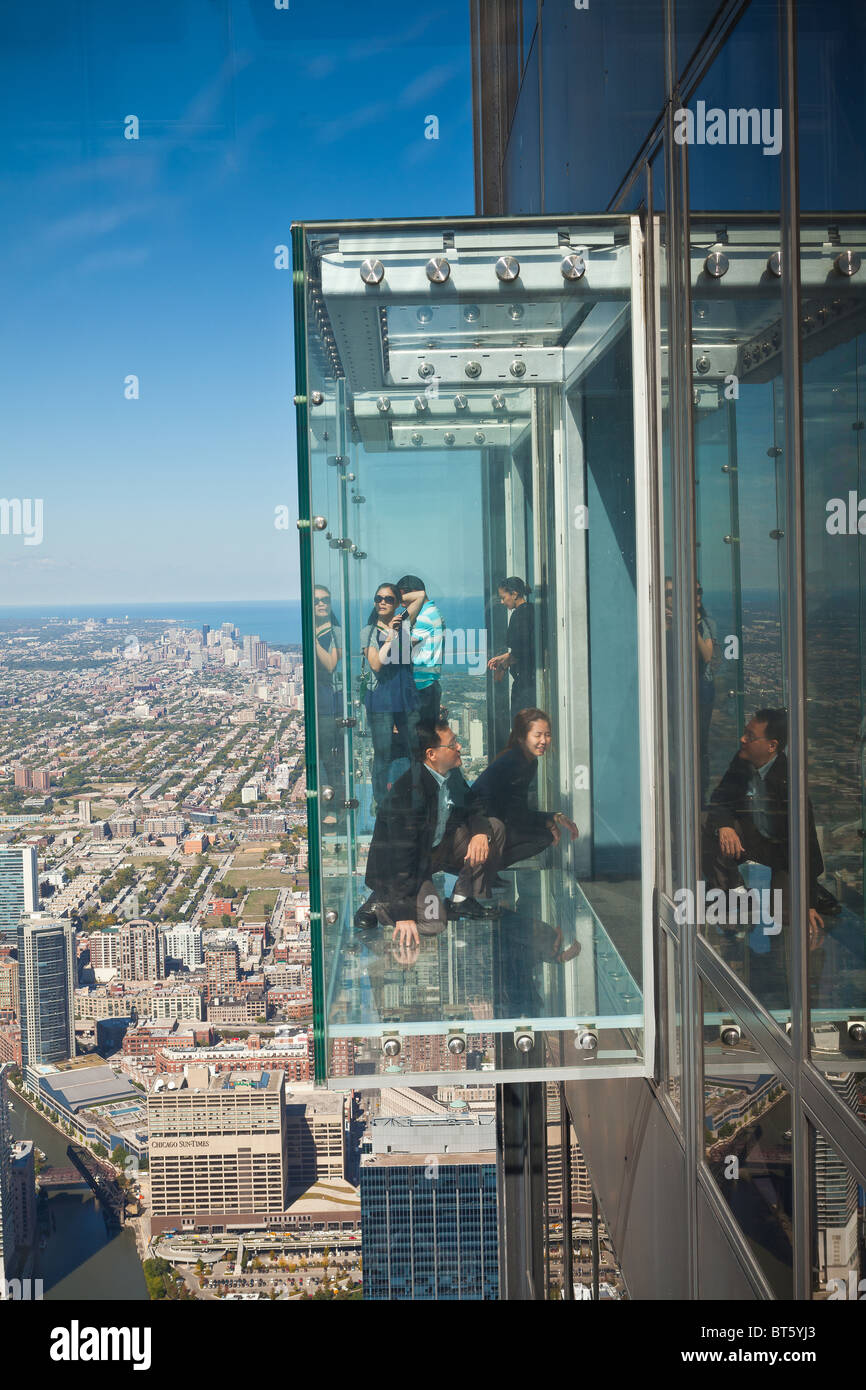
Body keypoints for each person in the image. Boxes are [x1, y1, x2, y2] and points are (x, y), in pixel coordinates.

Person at [355, 712, 505, 945]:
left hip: (433, 851)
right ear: (431, 754)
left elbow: (473, 804)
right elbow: (400, 856)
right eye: (453, 744)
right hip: (407, 867)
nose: (459, 747)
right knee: (434, 924)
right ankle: (382, 902)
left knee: (493, 829)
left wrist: (479, 834)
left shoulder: (450, 775)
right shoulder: (409, 793)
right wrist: (404, 915)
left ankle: (461, 900)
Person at [702, 707, 825, 942]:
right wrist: (726, 826)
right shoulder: (742, 761)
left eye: (750, 736)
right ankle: (729, 894)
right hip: (751, 842)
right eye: (745, 732)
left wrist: (809, 903)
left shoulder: (790, 782)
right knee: (708, 824)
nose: (742, 739)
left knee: (788, 920)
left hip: (782, 856)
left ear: (772, 746)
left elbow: (806, 842)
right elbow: (720, 798)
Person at [472, 708, 579, 867]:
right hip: (481, 826)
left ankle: (489, 871)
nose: (544, 741)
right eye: (537, 735)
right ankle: (487, 871)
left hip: (495, 824)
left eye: (547, 735)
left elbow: (518, 811)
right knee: (544, 837)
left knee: (544, 836)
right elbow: (480, 799)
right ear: (522, 737)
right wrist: (548, 820)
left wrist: (553, 818)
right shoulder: (513, 761)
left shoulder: (528, 762)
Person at [361, 583, 418, 809]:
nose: (382, 602)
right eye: (378, 598)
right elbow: (376, 664)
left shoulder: (404, 623)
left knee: (414, 750)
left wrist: (400, 606)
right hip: (381, 700)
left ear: (396, 604)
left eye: (388, 599)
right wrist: (391, 636)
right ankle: (381, 802)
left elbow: (420, 596)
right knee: (383, 753)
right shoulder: (368, 632)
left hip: (405, 697)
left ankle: (413, 797)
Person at [395, 574, 445, 724]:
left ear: (413, 593)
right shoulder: (433, 611)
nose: (402, 605)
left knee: (418, 735)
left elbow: (403, 647)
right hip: (428, 684)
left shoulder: (425, 616)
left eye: (402, 598)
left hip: (422, 686)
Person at [314, 585, 342, 825]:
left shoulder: (334, 631)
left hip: (330, 703)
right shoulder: (320, 630)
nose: (321, 604)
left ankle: (333, 807)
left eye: (325, 600)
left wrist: (312, 640)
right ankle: (325, 806)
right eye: (316, 601)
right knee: (319, 758)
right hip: (317, 701)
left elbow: (331, 664)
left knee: (330, 758)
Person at [487, 577, 535, 718]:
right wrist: (503, 657)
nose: (502, 602)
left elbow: (520, 651)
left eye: (503, 597)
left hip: (524, 683)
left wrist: (503, 665)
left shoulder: (519, 615)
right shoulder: (531, 610)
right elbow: (522, 648)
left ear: (514, 594)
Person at [695, 583, 716, 806]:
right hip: (678, 686)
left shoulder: (707, 624)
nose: (697, 595)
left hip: (702, 688)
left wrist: (690, 625)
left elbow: (707, 655)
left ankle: (700, 795)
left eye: (699, 591)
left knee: (700, 743)